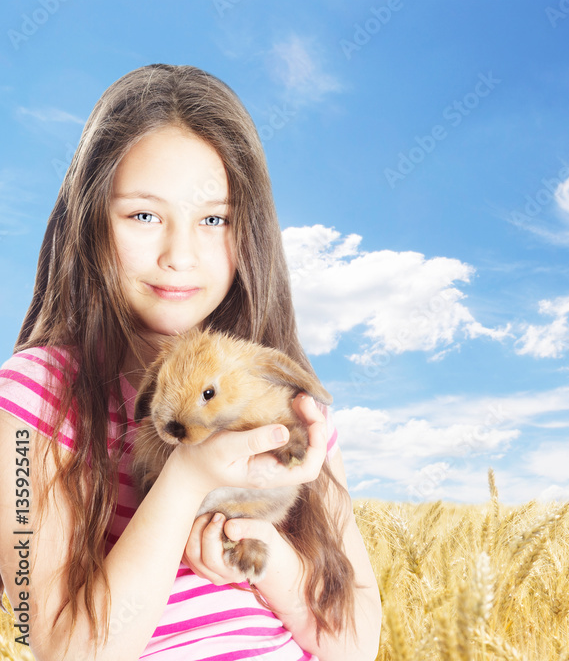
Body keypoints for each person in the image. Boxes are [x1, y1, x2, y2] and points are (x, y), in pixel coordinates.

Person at [0, 64, 381, 660]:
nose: (179, 256)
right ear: (89, 220)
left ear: (250, 233)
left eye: (214, 219)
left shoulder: (292, 409)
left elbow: (355, 642)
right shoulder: (33, 399)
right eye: (144, 215)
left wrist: (270, 560)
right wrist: (188, 477)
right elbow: (57, 647)